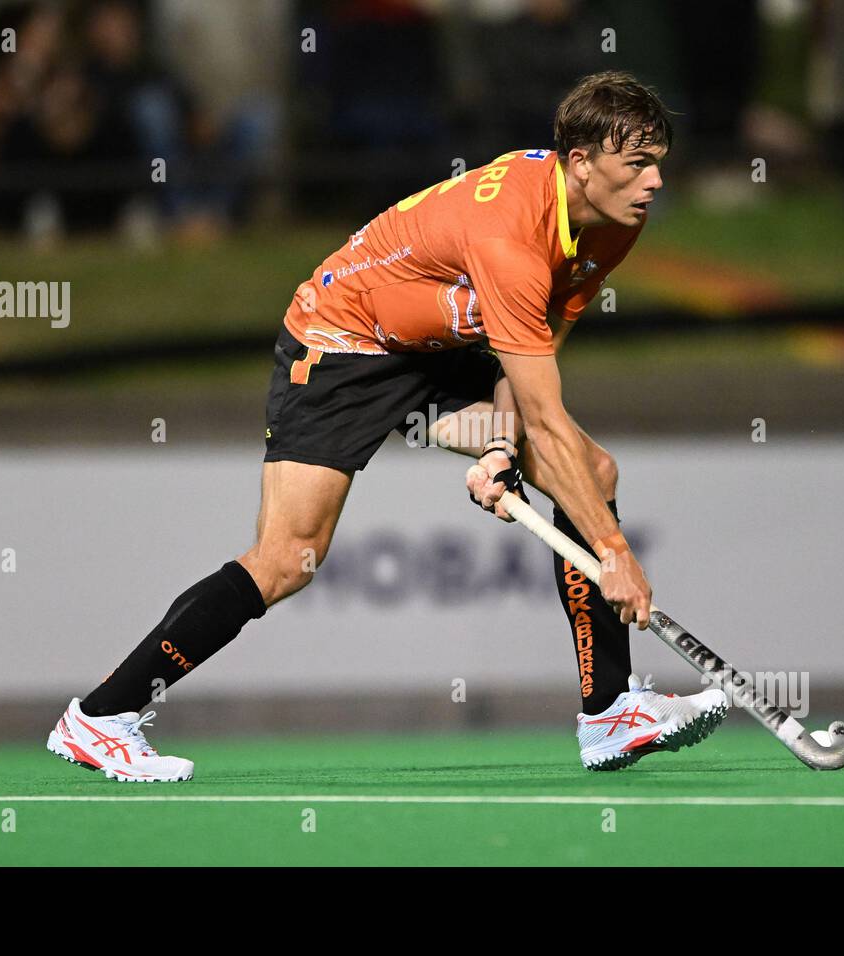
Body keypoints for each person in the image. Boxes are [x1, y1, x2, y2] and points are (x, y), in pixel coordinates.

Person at [47, 71, 726, 781]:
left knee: (593, 472)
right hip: (340, 342)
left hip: (431, 344)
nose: (654, 182)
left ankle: (610, 714)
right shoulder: (510, 236)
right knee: (287, 558)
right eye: (638, 164)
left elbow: (538, 346)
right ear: (582, 163)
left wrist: (499, 447)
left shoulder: (613, 221)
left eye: (658, 164)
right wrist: (613, 549)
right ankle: (100, 718)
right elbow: (546, 416)